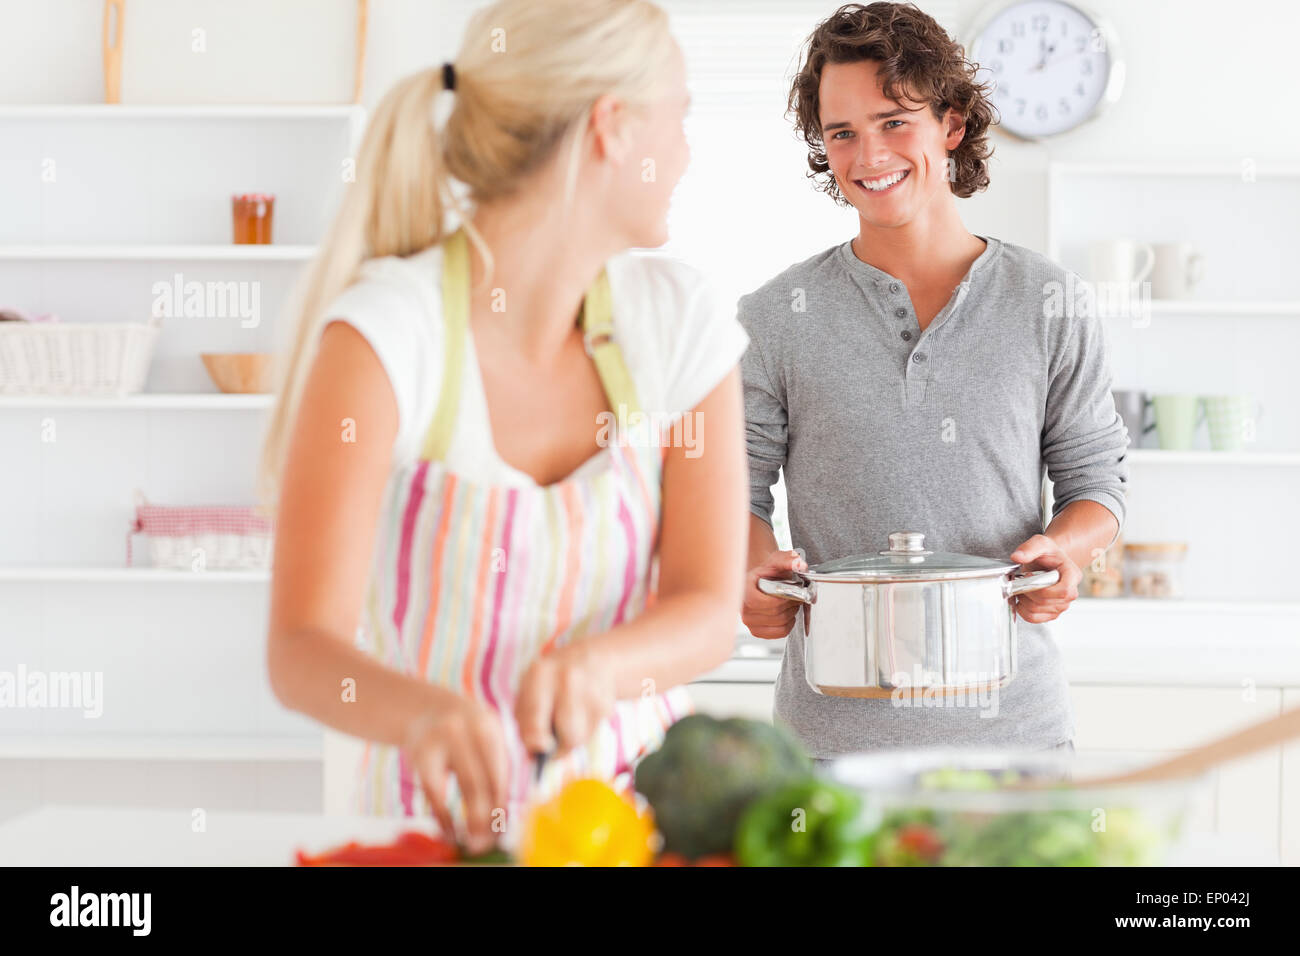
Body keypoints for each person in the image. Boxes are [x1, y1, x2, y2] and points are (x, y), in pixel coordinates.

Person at [260, 0, 749, 852]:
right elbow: (302, 650)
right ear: (612, 127)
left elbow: (708, 606)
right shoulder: (387, 336)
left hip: (634, 831)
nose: (686, 151)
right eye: (680, 117)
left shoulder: (680, 324)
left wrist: (600, 665)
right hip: (430, 830)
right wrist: (425, 715)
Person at [738, 2, 1128, 759]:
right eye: (841, 132)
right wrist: (753, 569)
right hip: (826, 750)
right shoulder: (775, 314)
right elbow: (736, 493)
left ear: (950, 122)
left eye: (893, 122)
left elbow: (1098, 483)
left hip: (1015, 742)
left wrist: (1065, 551)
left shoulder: (1048, 301)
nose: (867, 155)